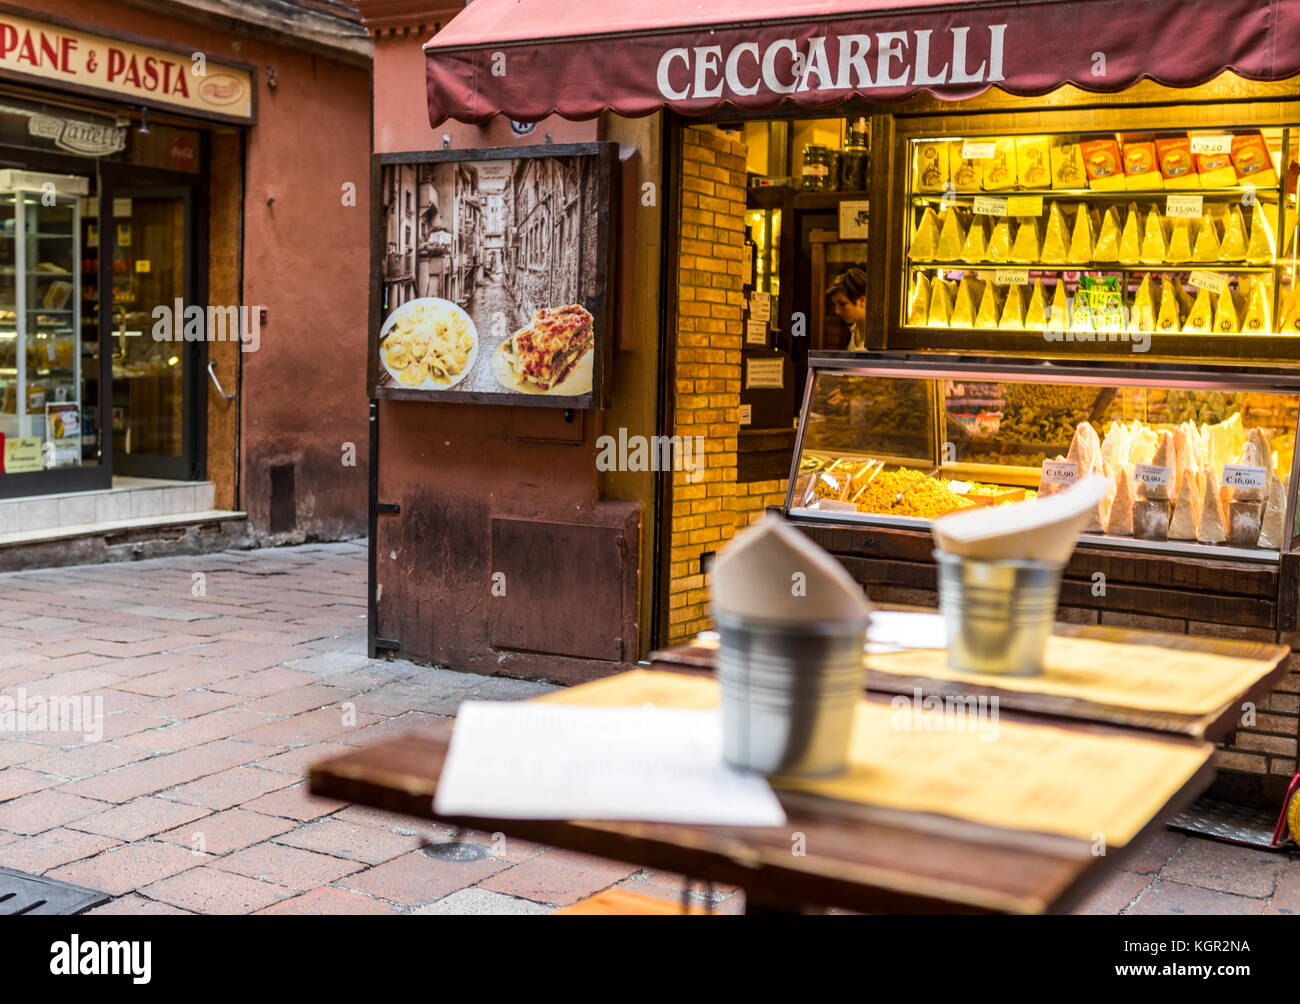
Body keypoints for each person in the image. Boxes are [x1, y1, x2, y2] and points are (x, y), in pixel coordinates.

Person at [826, 268, 868, 351]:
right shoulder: (853, 330)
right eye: (836, 304)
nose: (837, 311)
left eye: (842, 304)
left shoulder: (879, 337)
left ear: (862, 301)